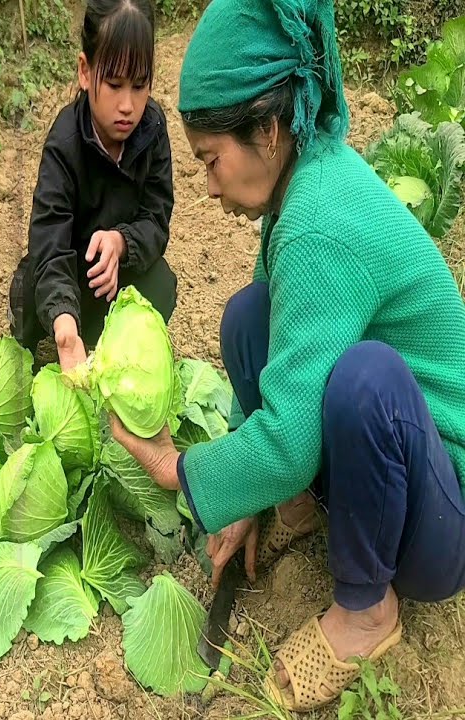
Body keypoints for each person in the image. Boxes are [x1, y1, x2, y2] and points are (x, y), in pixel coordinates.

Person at [108, 0, 465, 712]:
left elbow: (296, 436)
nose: (208, 185)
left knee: (367, 381)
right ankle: (298, 505)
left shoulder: (317, 223)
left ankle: (367, 611)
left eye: (212, 160)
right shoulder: (304, 180)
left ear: (268, 130)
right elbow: (284, 369)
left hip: (441, 508)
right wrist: (246, 491)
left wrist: (181, 468)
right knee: (251, 314)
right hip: (388, 465)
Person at [8, 0, 176, 372]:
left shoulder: (153, 131)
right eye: (114, 84)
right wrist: (64, 323)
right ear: (85, 72)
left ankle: (113, 344)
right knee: (35, 285)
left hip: (115, 278)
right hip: (71, 272)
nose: (128, 105)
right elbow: (49, 239)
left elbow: (156, 218)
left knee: (161, 283)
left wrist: (121, 243)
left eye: (140, 85)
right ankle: (60, 331)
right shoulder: (64, 143)